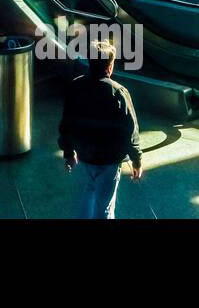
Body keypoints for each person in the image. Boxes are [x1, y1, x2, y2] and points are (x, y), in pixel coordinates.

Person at [58, 40, 143, 219]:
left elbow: (67, 123)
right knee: (104, 206)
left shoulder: (76, 87)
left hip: (84, 156)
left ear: (89, 62)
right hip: (109, 161)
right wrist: (136, 159)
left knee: (85, 199)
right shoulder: (119, 92)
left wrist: (68, 151)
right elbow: (130, 130)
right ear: (110, 66)